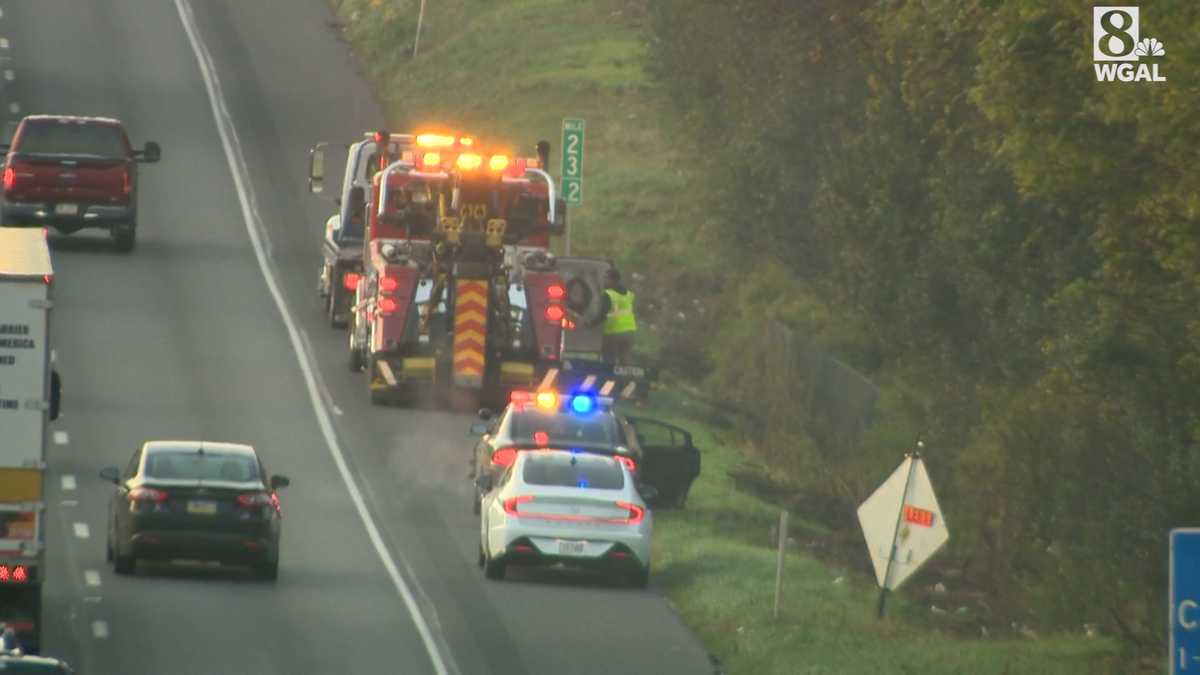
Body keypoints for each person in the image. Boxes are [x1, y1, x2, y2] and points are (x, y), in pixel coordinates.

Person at [590, 268, 637, 366]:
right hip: (630, 332)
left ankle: (609, 378)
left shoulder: (608, 294)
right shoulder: (629, 294)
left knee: (608, 358)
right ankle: (624, 380)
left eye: (606, 278)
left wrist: (590, 324)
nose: (604, 281)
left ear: (614, 280)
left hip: (614, 332)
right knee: (625, 360)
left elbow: (603, 314)